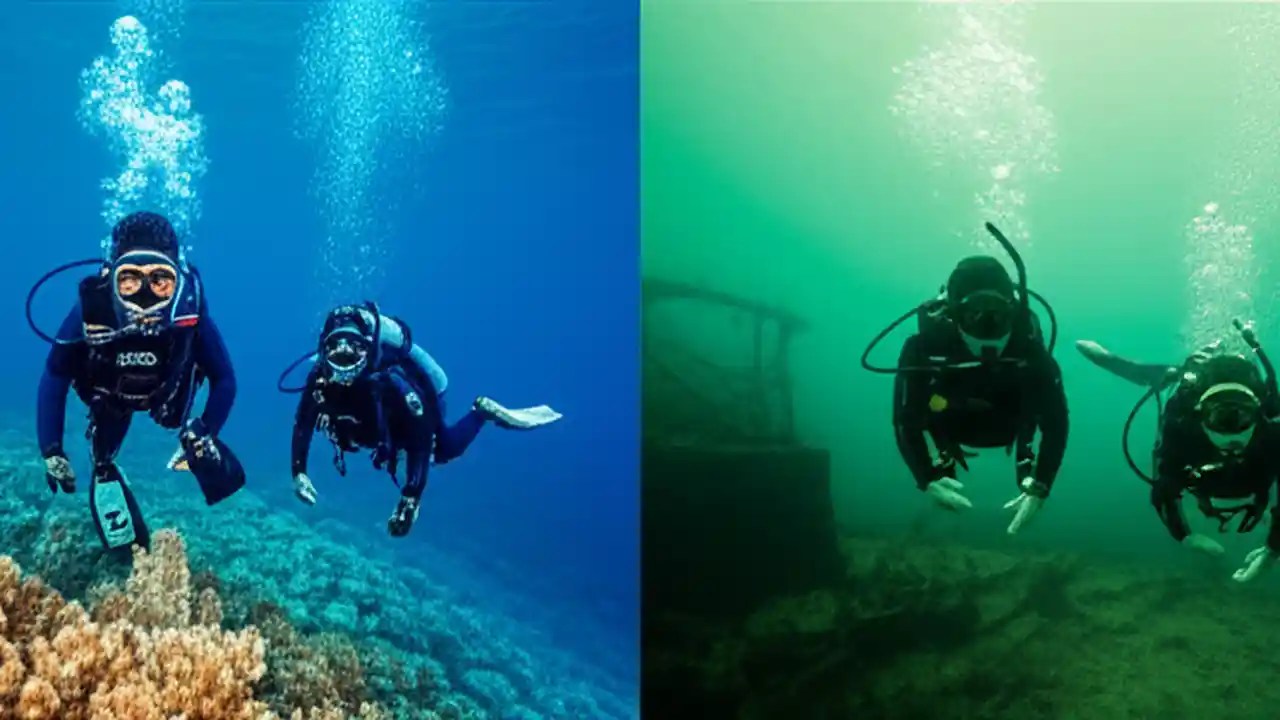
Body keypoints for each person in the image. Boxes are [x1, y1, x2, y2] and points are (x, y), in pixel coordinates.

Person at [32, 211, 243, 554]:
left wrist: (205, 430)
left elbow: (225, 380)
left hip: (168, 399)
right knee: (103, 456)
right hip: (111, 399)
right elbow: (55, 373)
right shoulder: (93, 309)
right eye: (129, 280)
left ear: (178, 279)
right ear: (111, 276)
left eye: (161, 281)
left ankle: (187, 443)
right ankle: (107, 475)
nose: (144, 296)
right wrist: (51, 449)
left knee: (180, 426)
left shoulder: (190, 309)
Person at [285, 302, 562, 537]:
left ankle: (481, 411)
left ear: (366, 349)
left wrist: (410, 497)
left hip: (408, 420)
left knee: (445, 450)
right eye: (335, 350)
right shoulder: (319, 380)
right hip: (367, 430)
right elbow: (303, 424)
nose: (343, 361)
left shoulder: (392, 383)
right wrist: (299, 472)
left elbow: (419, 441)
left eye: (353, 350)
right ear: (324, 350)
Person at [862, 223, 1068, 535]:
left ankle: (1024, 459)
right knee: (934, 402)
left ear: (1013, 311)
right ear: (954, 314)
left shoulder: (1029, 349)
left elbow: (1055, 422)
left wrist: (1041, 483)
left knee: (1030, 399)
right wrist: (926, 476)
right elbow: (907, 419)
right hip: (949, 419)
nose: (988, 324)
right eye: (975, 313)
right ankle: (945, 453)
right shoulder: (925, 348)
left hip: (1014, 423)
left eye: (998, 312)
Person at [1076, 320, 1280, 583]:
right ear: (1199, 414)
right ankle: (1209, 350)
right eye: (1220, 418)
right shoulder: (1183, 429)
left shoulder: (1273, 432)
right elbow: (1165, 485)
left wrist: (1275, 546)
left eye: (1242, 417)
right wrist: (1184, 535)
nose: (1232, 433)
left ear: (1259, 411)